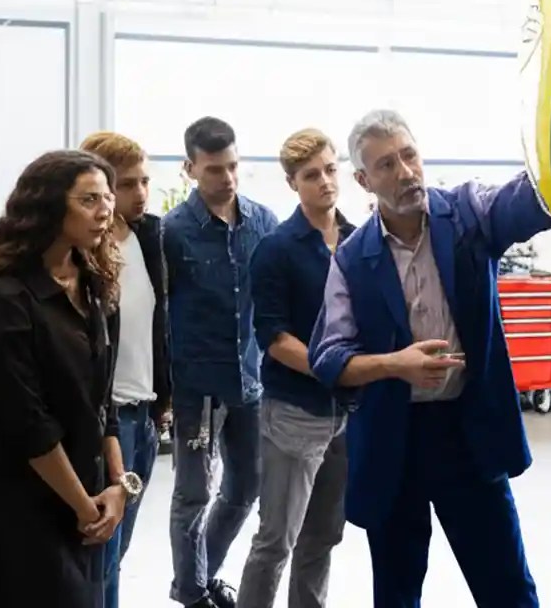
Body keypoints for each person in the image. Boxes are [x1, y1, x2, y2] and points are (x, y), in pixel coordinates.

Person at [309, 109, 551, 607]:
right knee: (397, 590)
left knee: (506, 583)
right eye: (386, 165)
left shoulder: (468, 215)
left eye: (409, 155)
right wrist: (395, 364)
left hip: (466, 433)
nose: (404, 172)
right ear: (362, 179)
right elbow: (329, 357)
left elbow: (526, 204)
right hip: (392, 440)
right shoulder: (352, 258)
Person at [0, 150, 144, 608]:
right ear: (49, 207)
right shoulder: (8, 299)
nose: (106, 211)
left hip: (90, 499)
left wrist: (118, 486)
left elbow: (104, 403)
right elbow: (27, 423)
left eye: (107, 198)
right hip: (30, 507)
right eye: (89, 200)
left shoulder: (94, 282)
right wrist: (85, 508)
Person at [165, 117, 279, 608]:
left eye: (232, 166)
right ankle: (192, 594)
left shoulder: (263, 222)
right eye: (214, 169)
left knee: (246, 488)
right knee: (193, 494)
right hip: (197, 387)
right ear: (190, 168)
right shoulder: (172, 232)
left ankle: (201, 575)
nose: (227, 178)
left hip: (250, 383)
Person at [238, 129, 354, 608]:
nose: (325, 181)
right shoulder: (277, 248)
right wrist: (333, 369)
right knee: (276, 542)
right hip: (293, 414)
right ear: (292, 184)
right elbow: (274, 338)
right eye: (312, 175)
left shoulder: (357, 239)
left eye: (330, 169)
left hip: (346, 414)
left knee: (323, 538)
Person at [80, 131, 173, 608]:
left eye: (146, 182)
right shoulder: (88, 253)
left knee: (118, 552)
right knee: (101, 553)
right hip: (106, 422)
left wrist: (165, 399)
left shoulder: (148, 237)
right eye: (129, 184)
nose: (141, 194)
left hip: (144, 414)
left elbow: (157, 328)